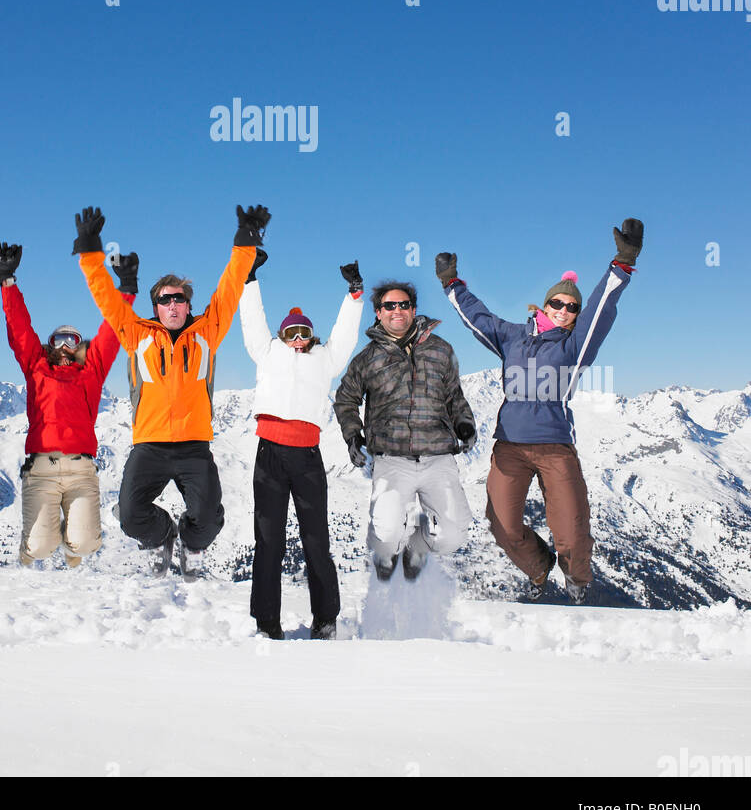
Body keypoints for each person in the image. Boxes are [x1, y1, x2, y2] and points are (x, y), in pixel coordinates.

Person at [435, 218, 644, 604]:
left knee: (572, 530)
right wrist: (452, 284)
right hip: (509, 447)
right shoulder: (513, 337)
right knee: (502, 525)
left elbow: (601, 309)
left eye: (571, 307)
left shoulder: (573, 346)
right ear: (544, 304)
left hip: (554, 448)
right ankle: (539, 567)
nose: (564, 310)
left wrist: (622, 264)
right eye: (557, 303)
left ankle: (577, 580)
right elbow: (477, 319)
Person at [74, 202, 268, 579]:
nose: (173, 304)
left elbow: (230, 288)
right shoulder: (137, 335)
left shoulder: (207, 333)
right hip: (150, 444)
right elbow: (106, 298)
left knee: (210, 519)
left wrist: (246, 241)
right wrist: (89, 250)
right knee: (130, 517)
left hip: (195, 445)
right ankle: (163, 535)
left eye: (179, 298)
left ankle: (191, 545)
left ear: (188, 305)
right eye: (165, 299)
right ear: (155, 308)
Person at [239, 253, 364, 640]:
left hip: (308, 457)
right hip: (270, 455)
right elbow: (252, 320)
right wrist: (249, 277)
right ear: (280, 336)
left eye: (303, 334)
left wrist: (354, 294)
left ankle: (325, 619)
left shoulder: (325, 359)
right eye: (291, 333)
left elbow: (344, 336)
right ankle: (267, 623)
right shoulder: (266, 352)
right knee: (269, 540)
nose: (297, 340)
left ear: (312, 337)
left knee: (316, 541)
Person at [0, 239, 136, 569]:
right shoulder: (35, 367)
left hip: (82, 469)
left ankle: (72, 541)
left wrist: (127, 290)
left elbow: (113, 330)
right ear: (48, 347)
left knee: (85, 544)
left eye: (72, 340)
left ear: (79, 348)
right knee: (41, 549)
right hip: (41, 470)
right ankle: (36, 542)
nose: (64, 346)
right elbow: (19, 328)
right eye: (57, 340)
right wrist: (7, 281)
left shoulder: (92, 371)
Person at [333, 280, 476, 581]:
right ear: (378, 313)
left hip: (437, 456)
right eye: (389, 305)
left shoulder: (440, 350)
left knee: (452, 537)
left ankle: (418, 544)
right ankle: (390, 548)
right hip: (391, 457)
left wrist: (464, 423)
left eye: (403, 305)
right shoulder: (367, 359)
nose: (396, 310)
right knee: (384, 536)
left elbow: (454, 396)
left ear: (413, 309)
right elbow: (346, 398)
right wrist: (353, 434)